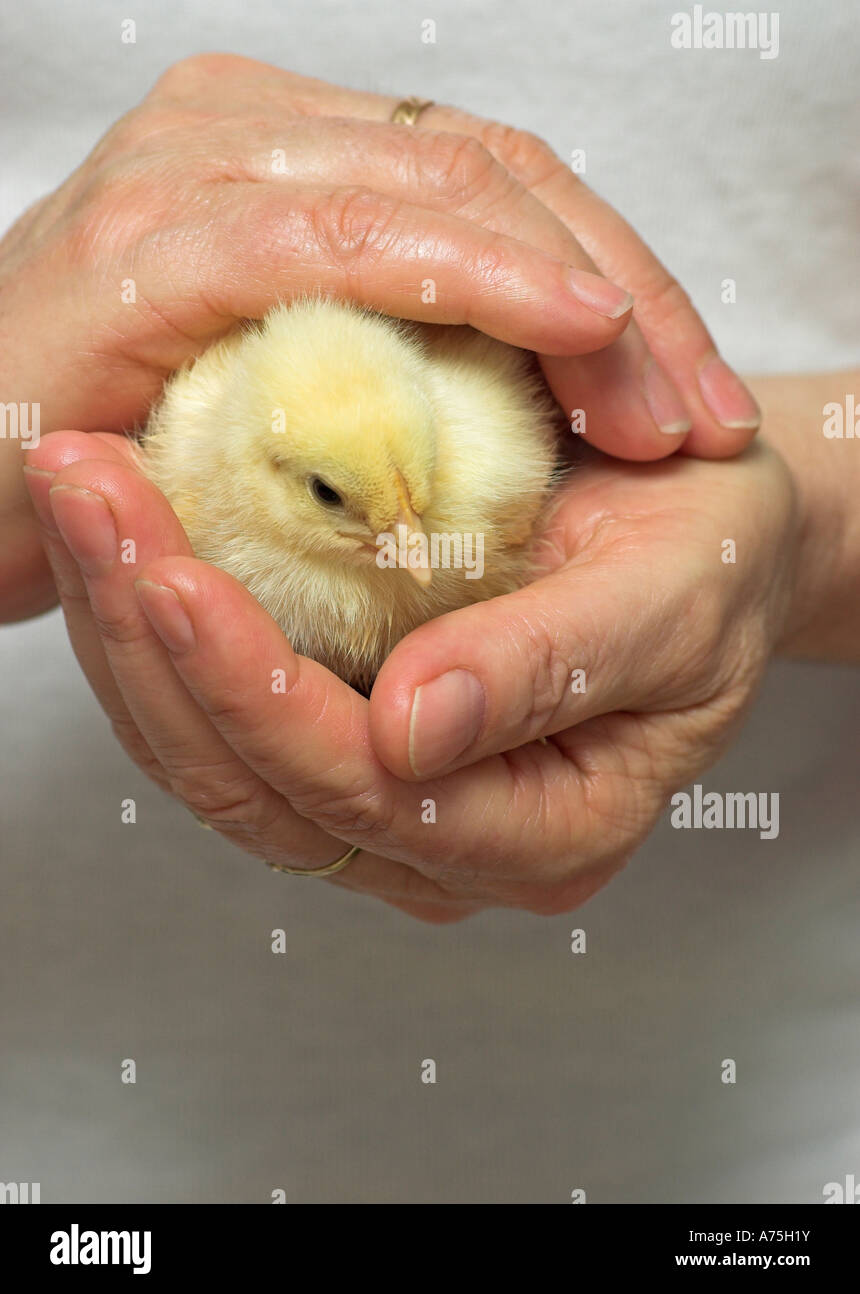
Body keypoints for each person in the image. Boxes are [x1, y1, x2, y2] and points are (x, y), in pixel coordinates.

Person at [3, 56, 858, 921]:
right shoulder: (199, 451)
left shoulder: (476, 460)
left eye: (419, 495)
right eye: (337, 500)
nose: (409, 540)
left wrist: (816, 530)